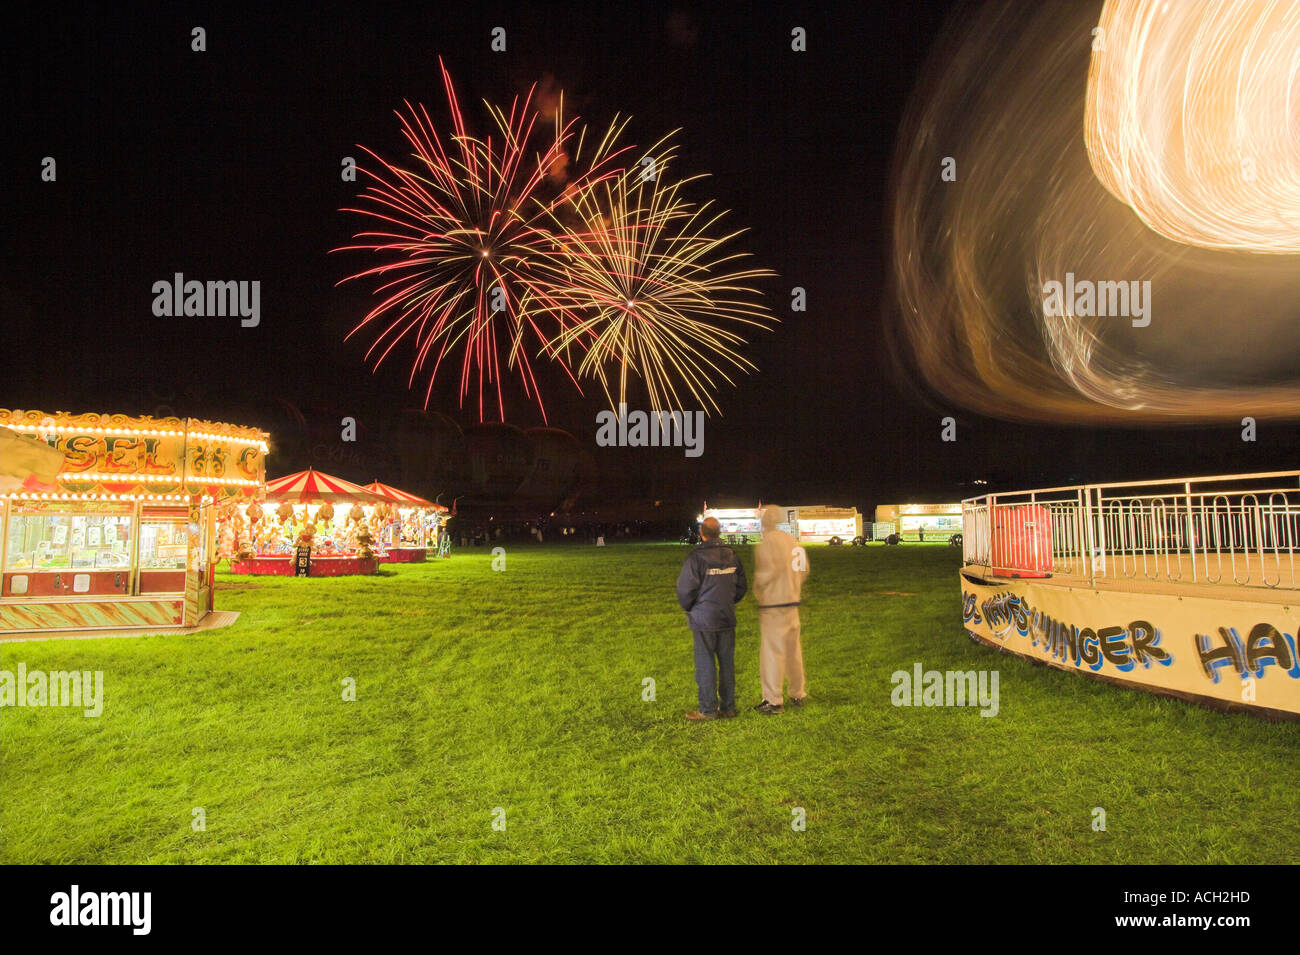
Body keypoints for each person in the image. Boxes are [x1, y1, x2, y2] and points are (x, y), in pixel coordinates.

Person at [675, 516, 748, 721]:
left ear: (702, 534)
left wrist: (692, 608)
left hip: (704, 619)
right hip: (726, 617)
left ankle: (707, 709)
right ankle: (728, 708)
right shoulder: (732, 555)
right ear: (719, 532)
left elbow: (685, 590)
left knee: (705, 662)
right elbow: (741, 586)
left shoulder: (696, 558)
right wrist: (727, 602)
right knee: (726, 663)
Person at [752, 506, 810, 714]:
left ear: (766, 521)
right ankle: (797, 693)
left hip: (773, 605)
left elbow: (767, 572)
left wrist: (759, 588)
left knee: (772, 653)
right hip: (792, 603)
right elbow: (803, 569)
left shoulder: (767, 543)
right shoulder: (793, 541)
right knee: (793, 652)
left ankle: (773, 700)